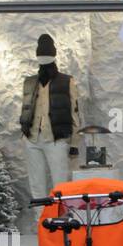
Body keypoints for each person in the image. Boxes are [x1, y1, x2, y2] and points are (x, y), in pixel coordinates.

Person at [21, 33, 80, 199]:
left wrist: (74, 142)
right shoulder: (29, 82)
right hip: (32, 140)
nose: (43, 58)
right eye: (40, 54)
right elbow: (26, 108)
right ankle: (40, 224)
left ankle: (61, 223)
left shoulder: (67, 81)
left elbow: (74, 113)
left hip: (56, 139)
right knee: (36, 187)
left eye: (45, 54)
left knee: (61, 187)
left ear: (53, 55)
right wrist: (24, 135)